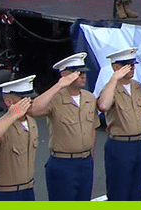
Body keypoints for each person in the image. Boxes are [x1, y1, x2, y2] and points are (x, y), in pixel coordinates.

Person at [30, 52, 98, 201]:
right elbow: (34, 110)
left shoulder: (89, 98)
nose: (83, 76)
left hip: (85, 162)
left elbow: (92, 130)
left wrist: (89, 159)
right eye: (77, 73)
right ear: (65, 75)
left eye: (83, 72)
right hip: (63, 163)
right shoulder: (55, 98)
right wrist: (59, 85)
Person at [0, 75, 38, 201]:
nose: (30, 101)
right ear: (9, 102)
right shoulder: (2, 126)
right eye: (24, 99)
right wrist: (13, 115)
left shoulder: (31, 122)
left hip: (27, 191)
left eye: (31, 98)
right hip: (4, 194)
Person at [97, 48, 141, 201]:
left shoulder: (137, 87)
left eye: (132, 64)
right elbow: (103, 105)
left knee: (136, 192)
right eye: (127, 65)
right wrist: (114, 79)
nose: (132, 68)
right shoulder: (110, 89)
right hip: (120, 145)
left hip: (138, 144)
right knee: (119, 192)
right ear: (116, 67)